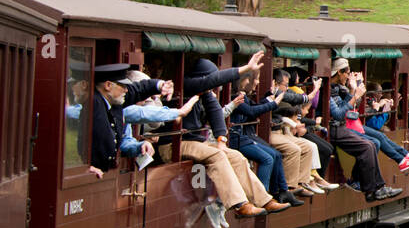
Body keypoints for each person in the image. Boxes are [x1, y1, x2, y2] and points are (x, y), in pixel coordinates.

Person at [180, 52, 290, 217]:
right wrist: (243, 69)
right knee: (217, 155)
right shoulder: (188, 85)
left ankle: (264, 200)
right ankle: (240, 204)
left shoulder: (205, 93)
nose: (213, 87)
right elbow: (211, 81)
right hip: (177, 143)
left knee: (236, 157)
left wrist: (221, 139)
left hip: (196, 143)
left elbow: (216, 112)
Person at [328, 58, 403, 202]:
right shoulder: (329, 89)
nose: (348, 76)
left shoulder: (339, 88)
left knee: (373, 143)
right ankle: (375, 189)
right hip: (334, 128)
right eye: (347, 73)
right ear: (339, 72)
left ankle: (368, 189)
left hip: (342, 126)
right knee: (369, 146)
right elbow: (338, 114)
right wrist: (354, 93)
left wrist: (354, 90)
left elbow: (352, 106)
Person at [228, 74, 305, 207]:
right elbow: (251, 111)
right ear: (244, 81)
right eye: (254, 78)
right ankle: (263, 197)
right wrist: (273, 103)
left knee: (276, 154)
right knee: (267, 159)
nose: (257, 82)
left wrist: (270, 96)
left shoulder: (242, 95)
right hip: (235, 137)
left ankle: (281, 191)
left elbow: (255, 106)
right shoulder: (236, 97)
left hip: (241, 136)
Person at [85, 64, 174, 176]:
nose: (126, 90)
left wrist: (139, 146)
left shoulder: (115, 104)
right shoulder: (92, 104)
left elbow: (124, 140)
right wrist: (177, 113)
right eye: (123, 86)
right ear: (108, 85)